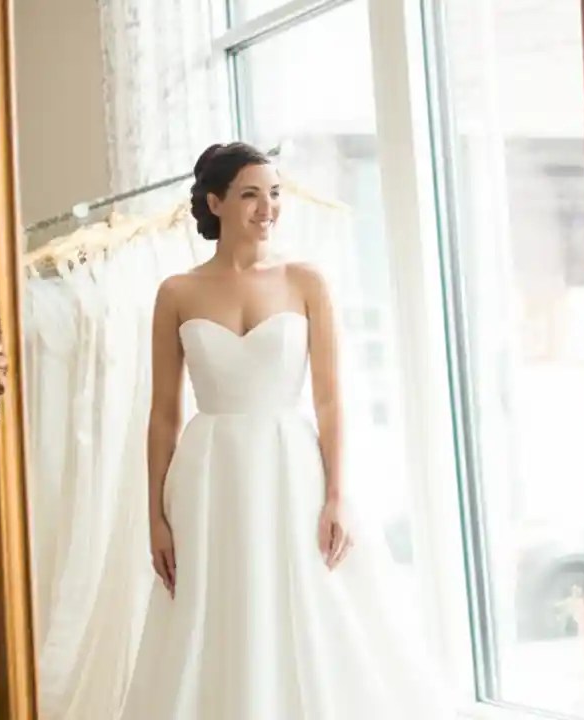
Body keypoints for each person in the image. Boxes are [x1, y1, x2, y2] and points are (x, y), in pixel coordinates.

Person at [121, 142, 450, 719]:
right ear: (216, 202)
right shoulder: (176, 292)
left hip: (291, 470)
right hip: (208, 478)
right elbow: (164, 414)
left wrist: (338, 495)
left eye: (274, 193)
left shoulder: (306, 281)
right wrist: (155, 518)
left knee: (311, 611)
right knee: (218, 615)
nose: (267, 207)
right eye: (250, 194)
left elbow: (330, 399)